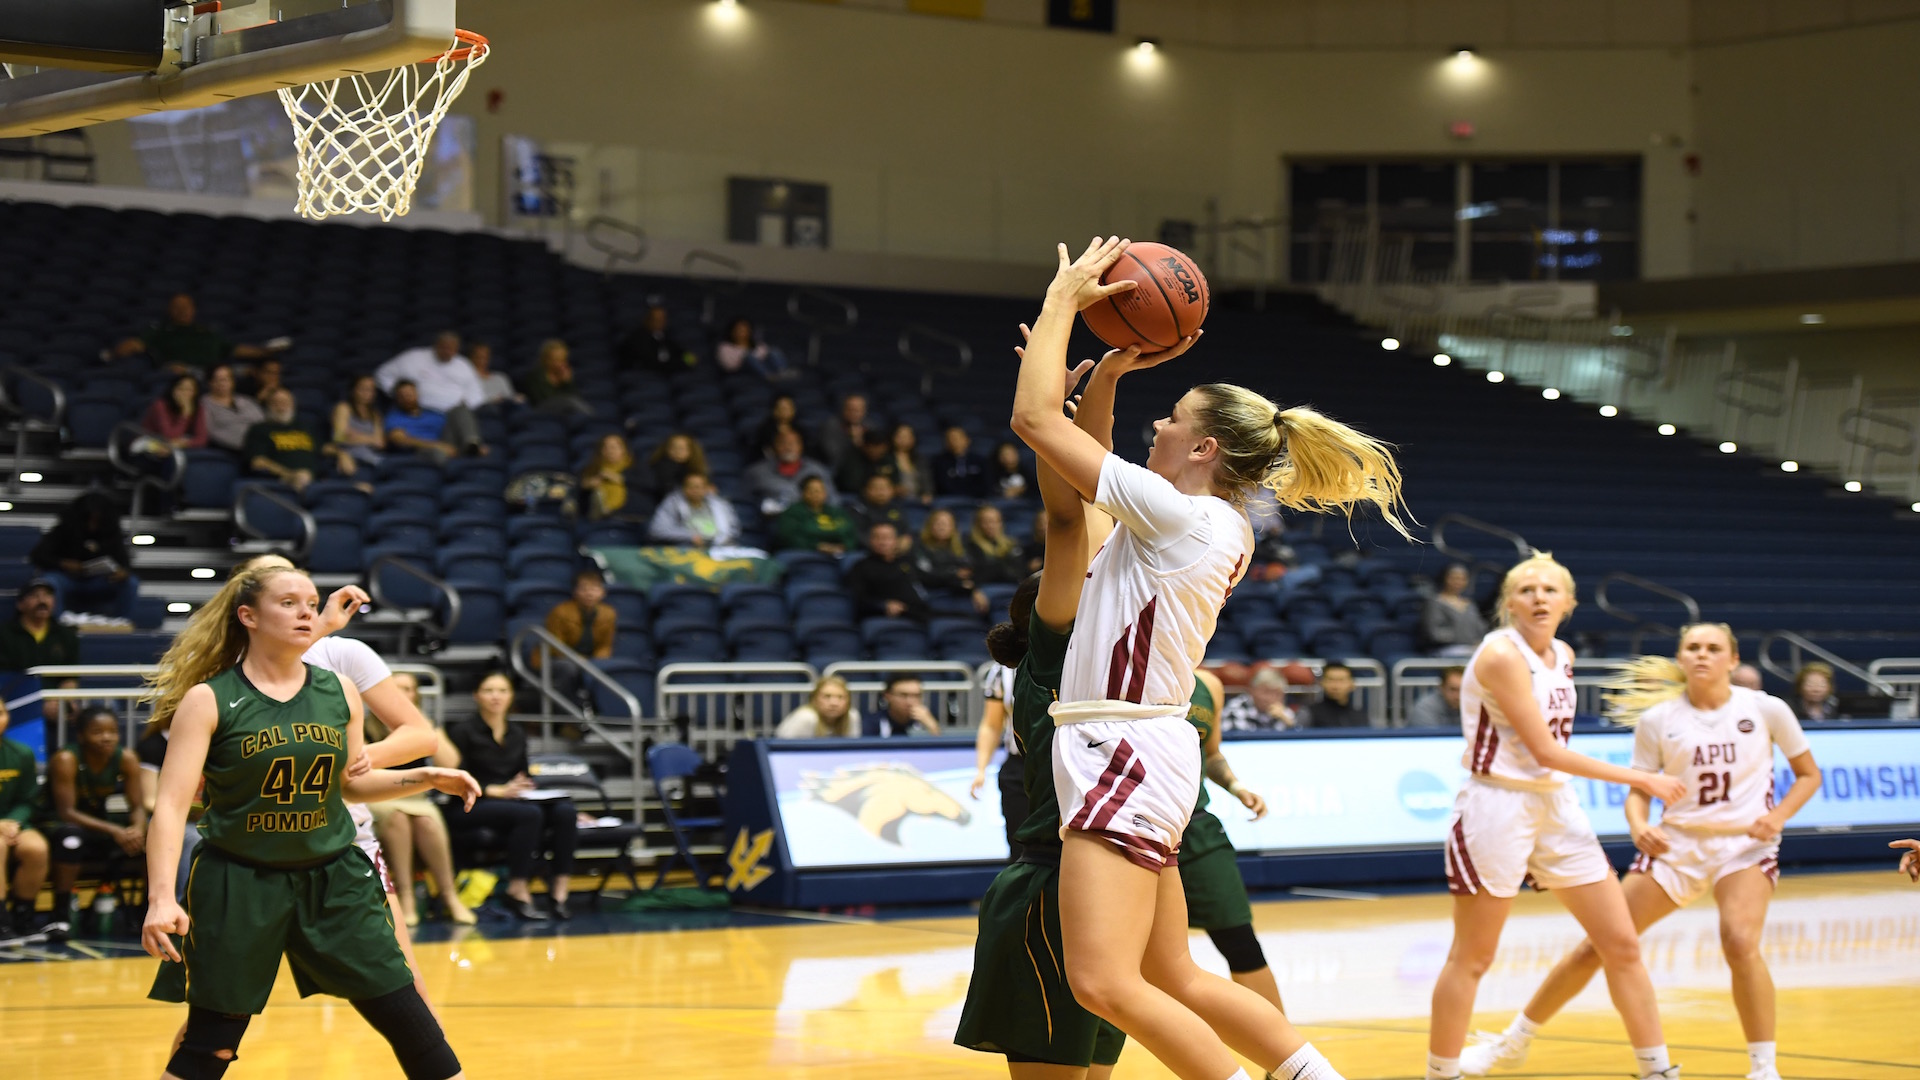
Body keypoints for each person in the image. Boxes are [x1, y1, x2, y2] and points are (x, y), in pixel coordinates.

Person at [1009, 236, 1409, 1080]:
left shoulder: (1184, 518)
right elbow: (1071, 480)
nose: (1160, 424)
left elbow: (1035, 422)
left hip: (1118, 745)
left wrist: (1061, 303)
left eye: (1174, 419)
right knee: (1172, 972)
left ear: (1203, 452)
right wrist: (1110, 377)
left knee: (1104, 982)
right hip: (1145, 745)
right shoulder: (1203, 521)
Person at [140, 561, 478, 1080]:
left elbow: (348, 786)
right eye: (289, 603)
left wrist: (424, 778)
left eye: (311, 603)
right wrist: (162, 897)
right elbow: (169, 807)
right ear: (248, 616)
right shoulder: (209, 700)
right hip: (241, 881)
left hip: (334, 876)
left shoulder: (339, 690)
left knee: (412, 1020)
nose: (306, 613)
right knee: (211, 1044)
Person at [1459, 623, 1822, 1080]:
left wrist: (1779, 815)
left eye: (1713, 649)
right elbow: (1640, 790)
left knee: (1739, 940)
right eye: (1693, 647)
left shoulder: (1766, 709)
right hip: (1677, 845)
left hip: (1745, 846)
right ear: (1680, 658)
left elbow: (1809, 774)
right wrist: (1638, 825)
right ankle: (1513, 1043)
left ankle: (1763, 1069)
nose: (1702, 655)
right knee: (1599, 946)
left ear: (1732, 660)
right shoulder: (1659, 720)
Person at [1428, 553, 1686, 1080]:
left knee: (1620, 944)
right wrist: (1643, 778)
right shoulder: (1501, 655)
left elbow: (1550, 763)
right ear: (1508, 603)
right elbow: (1546, 751)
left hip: (1555, 804)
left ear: (1568, 604)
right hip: (1496, 807)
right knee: (1473, 958)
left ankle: (1657, 1070)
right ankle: (1442, 1073)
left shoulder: (1562, 654)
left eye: (1550, 589)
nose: (1539, 597)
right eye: (1527, 589)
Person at [1180, 667, 1286, 1014]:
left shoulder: (1209, 684)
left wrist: (1238, 788)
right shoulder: (1123, 672)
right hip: (1132, 831)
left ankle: (1286, 1064)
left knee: (1240, 941)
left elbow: (1210, 754)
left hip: (1195, 829)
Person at [439, 673, 580, 920]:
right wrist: (493, 789)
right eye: (489, 690)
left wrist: (525, 789)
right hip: (471, 803)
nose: (496, 696)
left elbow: (523, 776)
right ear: (477, 696)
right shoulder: (462, 731)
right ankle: (518, 889)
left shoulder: (517, 732)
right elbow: (451, 776)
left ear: (511, 696)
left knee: (565, 812)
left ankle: (559, 892)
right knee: (529, 814)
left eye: (502, 690)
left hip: (510, 801)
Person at [369, 672, 477, 927]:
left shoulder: (423, 725)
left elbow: (451, 763)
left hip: (417, 796)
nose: (402, 694)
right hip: (379, 793)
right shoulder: (366, 724)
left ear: (416, 694)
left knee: (428, 822)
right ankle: (405, 896)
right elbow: (365, 769)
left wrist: (428, 730)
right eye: (396, 688)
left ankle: (450, 896)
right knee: (397, 819)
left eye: (408, 688)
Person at [42, 707, 145, 936]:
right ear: (80, 736)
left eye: (112, 731)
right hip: (58, 823)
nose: (106, 737)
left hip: (98, 821)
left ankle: (145, 911)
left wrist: (137, 829)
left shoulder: (126, 757)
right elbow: (67, 812)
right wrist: (115, 830)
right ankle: (60, 916)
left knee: (152, 837)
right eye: (97, 732)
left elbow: (137, 806)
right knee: (72, 840)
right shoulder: (66, 759)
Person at [30, 491, 142, 621]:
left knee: (131, 582)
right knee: (50, 581)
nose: (92, 525)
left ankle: (123, 624)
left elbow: (123, 562)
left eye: (97, 521)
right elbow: (38, 555)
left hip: (99, 580)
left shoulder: (112, 533)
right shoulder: (63, 530)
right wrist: (63, 563)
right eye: (88, 519)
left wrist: (122, 572)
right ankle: (56, 626)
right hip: (68, 578)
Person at [374, 332, 487, 454]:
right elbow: (398, 439)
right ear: (436, 345)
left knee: (462, 411)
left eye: (452, 349)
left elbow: (476, 394)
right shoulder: (413, 358)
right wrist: (438, 446)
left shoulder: (463, 365)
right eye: (445, 347)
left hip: (449, 424)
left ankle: (472, 446)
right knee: (436, 453)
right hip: (426, 447)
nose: (448, 352)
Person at [114, 292, 280, 374]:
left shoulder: (207, 331)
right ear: (170, 311)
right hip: (183, 370)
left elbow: (233, 349)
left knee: (257, 372)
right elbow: (137, 344)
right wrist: (118, 351)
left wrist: (263, 352)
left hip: (214, 372)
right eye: (178, 307)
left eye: (187, 307)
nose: (183, 311)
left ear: (194, 310)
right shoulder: (160, 330)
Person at [0, 699, 51, 939]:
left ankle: (24, 916)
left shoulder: (21, 753)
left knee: (36, 848)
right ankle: (2, 922)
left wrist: (14, 821)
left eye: (1, 713)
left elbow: (28, 799)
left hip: (12, 822)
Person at [245, 387, 356, 492]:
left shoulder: (304, 426)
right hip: (281, 483)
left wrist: (342, 454)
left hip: (315, 481)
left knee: (361, 489)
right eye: (276, 402)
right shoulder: (260, 429)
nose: (281, 406)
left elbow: (323, 447)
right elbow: (258, 461)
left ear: (293, 405)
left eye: (286, 402)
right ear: (268, 405)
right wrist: (288, 475)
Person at [0, 578, 81, 720]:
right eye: (34, 596)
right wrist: (37, 703)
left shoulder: (66, 635)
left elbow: (70, 678)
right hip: (16, 698)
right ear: (20, 604)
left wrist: (62, 701)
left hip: (54, 700)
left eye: (47, 595)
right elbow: (6, 678)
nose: (42, 601)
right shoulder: (4, 634)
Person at [537, 570, 616, 707]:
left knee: (607, 668)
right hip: (556, 659)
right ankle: (567, 712)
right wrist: (580, 660)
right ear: (575, 591)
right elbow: (555, 646)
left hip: (588, 659)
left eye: (594, 589)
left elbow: (605, 645)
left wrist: (597, 661)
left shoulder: (609, 614)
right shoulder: (560, 611)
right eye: (584, 589)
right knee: (569, 668)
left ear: (603, 592)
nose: (589, 594)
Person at [968, 659, 1023, 858]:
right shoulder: (1002, 671)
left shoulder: (1069, 658)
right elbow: (992, 724)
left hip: (1058, 767)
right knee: (1019, 849)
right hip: (1019, 767)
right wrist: (981, 769)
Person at [846, 522, 930, 623]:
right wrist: (883, 605)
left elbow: (930, 578)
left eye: (887, 538)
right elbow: (859, 598)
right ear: (870, 541)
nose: (882, 542)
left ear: (896, 541)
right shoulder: (860, 567)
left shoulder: (905, 562)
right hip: (885, 615)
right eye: (877, 537)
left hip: (917, 611)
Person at [744, 426, 834, 517]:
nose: (788, 447)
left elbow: (833, 500)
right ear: (774, 446)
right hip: (774, 522)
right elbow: (745, 504)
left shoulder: (818, 470)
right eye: (783, 443)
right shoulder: (757, 473)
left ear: (801, 446)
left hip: (814, 521)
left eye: (793, 443)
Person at [913, 508, 988, 614]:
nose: (942, 527)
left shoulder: (962, 547)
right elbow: (926, 575)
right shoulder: (920, 547)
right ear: (930, 526)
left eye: (946, 524)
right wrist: (954, 574)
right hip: (935, 595)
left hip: (961, 593)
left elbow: (971, 571)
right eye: (938, 523)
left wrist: (974, 589)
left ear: (953, 527)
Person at [648, 472, 740, 549]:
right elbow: (657, 530)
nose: (695, 490)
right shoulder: (672, 503)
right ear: (683, 488)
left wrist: (720, 541)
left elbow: (733, 530)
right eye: (690, 487)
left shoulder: (720, 505)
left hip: (718, 549)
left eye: (698, 487)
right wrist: (689, 537)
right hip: (684, 548)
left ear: (706, 488)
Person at [772, 475, 859, 555]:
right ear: (803, 493)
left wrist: (843, 546)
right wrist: (817, 546)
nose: (817, 494)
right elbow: (788, 538)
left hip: (840, 553)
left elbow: (851, 535)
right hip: (806, 552)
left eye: (821, 490)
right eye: (812, 490)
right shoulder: (793, 512)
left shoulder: (837, 512)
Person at [383, 380, 463, 463]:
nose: (407, 398)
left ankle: (471, 444)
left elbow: (452, 428)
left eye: (410, 394)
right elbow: (400, 440)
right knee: (437, 453)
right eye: (402, 395)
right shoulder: (394, 417)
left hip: (446, 442)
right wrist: (437, 446)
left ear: (417, 394)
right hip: (420, 450)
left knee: (460, 410)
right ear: (397, 399)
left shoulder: (433, 414)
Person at [1424, 564, 1489, 656]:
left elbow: (1480, 628)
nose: (1458, 582)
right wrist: (1466, 639)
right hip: (1445, 649)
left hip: (1471, 648)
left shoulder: (1470, 604)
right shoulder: (1434, 602)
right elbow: (1434, 633)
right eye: (1454, 578)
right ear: (1444, 578)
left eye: (1462, 579)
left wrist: (1479, 641)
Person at [201, 363, 265, 455]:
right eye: (217, 379)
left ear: (232, 381)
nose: (222, 383)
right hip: (232, 450)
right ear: (209, 382)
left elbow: (263, 424)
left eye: (226, 379)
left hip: (261, 446)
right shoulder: (204, 405)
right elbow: (210, 434)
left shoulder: (247, 401)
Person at [774, 675, 860, 738]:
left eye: (841, 697)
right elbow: (784, 751)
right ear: (814, 699)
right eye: (827, 696)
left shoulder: (852, 716)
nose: (834, 703)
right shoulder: (805, 718)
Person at [332, 374, 387, 468]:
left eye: (371, 390)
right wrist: (371, 439)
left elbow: (380, 443)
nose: (367, 393)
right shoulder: (344, 408)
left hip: (373, 457)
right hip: (351, 456)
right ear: (354, 390)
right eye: (363, 389)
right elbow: (339, 438)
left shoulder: (375, 414)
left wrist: (355, 436)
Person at [619, 304, 695, 372]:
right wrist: (680, 363)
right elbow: (652, 362)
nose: (661, 322)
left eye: (663, 319)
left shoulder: (665, 335)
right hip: (646, 375)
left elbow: (678, 351)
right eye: (656, 320)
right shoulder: (638, 338)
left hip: (667, 372)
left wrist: (688, 358)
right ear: (648, 320)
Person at [140, 375, 208, 451]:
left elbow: (202, 438)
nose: (185, 393)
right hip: (151, 442)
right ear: (173, 390)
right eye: (181, 389)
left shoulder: (197, 406)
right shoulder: (160, 405)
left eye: (190, 390)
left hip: (177, 445)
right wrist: (185, 414)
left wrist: (184, 443)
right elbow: (169, 436)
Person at [1219, 668, 1298, 732]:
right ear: (1252, 691)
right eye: (1267, 692)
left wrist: (1289, 723)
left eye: (1277, 694)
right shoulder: (1235, 711)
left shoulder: (1284, 713)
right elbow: (1237, 743)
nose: (1272, 698)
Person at [1294, 663, 1369, 728]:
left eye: (1341, 680)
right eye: (1331, 680)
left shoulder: (1360, 716)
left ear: (1352, 684)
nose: (1336, 686)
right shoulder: (1310, 713)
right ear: (1322, 683)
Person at [581, 434, 635, 521]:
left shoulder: (636, 469)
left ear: (624, 450)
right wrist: (587, 485)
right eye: (605, 447)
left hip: (627, 514)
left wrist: (621, 479)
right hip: (596, 518)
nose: (610, 451)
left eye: (614, 447)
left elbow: (648, 486)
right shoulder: (592, 470)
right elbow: (578, 487)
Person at [525, 339, 588, 415]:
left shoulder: (564, 376)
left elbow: (576, 398)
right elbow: (541, 400)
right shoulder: (534, 377)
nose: (561, 364)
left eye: (563, 359)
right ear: (546, 360)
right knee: (569, 402)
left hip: (564, 410)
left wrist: (567, 383)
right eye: (557, 360)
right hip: (543, 412)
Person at [966, 505, 1026, 585]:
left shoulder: (1012, 544)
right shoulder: (970, 545)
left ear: (1001, 523)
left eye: (995, 521)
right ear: (978, 524)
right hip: (986, 588)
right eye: (986, 522)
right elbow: (979, 574)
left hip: (1011, 587)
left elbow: (1021, 572)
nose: (991, 526)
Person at [868, 675, 942, 737]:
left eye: (916, 695)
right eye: (903, 695)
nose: (910, 702)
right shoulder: (873, 723)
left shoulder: (927, 720)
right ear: (887, 696)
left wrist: (933, 727)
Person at [715, 316, 790, 377]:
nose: (743, 333)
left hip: (762, 366)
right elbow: (729, 366)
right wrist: (747, 358)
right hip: (740, 371)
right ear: (732, 332)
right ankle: (768, 376)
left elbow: (766, 354)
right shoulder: (725, 347)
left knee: (774, 351)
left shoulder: (758, 345)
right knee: (749, 357)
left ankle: (783, 372)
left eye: (745, 330)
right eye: (739, 330)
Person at [816, 393, 869, 472]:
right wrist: (853, 442)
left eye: (858, 410)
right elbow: (834, 456)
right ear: (844, 410)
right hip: (838, 469)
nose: (854, 414)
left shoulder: (869, 426)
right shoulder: (831, 427)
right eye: (851, 410)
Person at [837, 428, 898, 495]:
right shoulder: (851, 459)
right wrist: (873, 489)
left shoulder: (887, 459)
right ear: (864, 446)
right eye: (873, 447)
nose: (876, 451)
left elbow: (895, 481)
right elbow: (851, 484)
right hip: (854, 495)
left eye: (880, 447)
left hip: (886, 495)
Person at [645, 432, 708, 497]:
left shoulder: (695, 468)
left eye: (681, 448)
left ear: (692, 450)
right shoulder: (661, 467)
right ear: (666, 449)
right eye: (673, 448)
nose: (677, 451)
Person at [846, 473, 908, 539]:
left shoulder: (897, 508)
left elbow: (907, 532)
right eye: (875, 488)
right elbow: (855, 535)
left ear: (892, 490)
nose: (881, 492)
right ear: (865, 490)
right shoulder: (856, 510)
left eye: (885, 488)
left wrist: (906, 541)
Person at [933, 425, 988, 498]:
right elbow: (941, 486)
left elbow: (986, 484)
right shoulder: (939, 462)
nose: (954, 442)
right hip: (949, 500)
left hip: (977, 499)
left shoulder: (980, 460)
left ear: (967, 440)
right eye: (950, 439)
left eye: (957, 438)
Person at [888, 423, 934, 503]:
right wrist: (894, 489)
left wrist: (927, 493)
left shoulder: (920, 459)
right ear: (893, 437)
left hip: (918, 500)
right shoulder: (887, 458)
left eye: (907, 436)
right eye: (900, 436)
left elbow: (927, 481)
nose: (904, 439)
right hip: (895, 500)